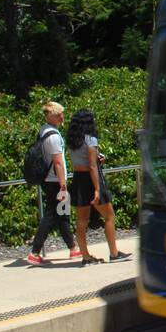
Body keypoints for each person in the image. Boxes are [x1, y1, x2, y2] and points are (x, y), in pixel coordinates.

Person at [66, 108, 129, 264]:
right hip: (91, 178)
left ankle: (85, 256)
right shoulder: (90, 139)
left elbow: (81, 161)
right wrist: (97, 189)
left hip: (78, 179)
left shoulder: (72, 141)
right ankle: (114, 253)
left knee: (81, 220)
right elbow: (93, 166)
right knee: (109, 216)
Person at [27, 101, 80, 266]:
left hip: (48, 179)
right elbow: (58, 162)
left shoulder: (43, 130)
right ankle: (35, 252)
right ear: (53, 116)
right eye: (59, 115)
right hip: (55, 181)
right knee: (52, 214)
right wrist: (63, 184)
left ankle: (72, 247)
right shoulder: (55, 137)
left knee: (62, 214)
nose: (63, 117)